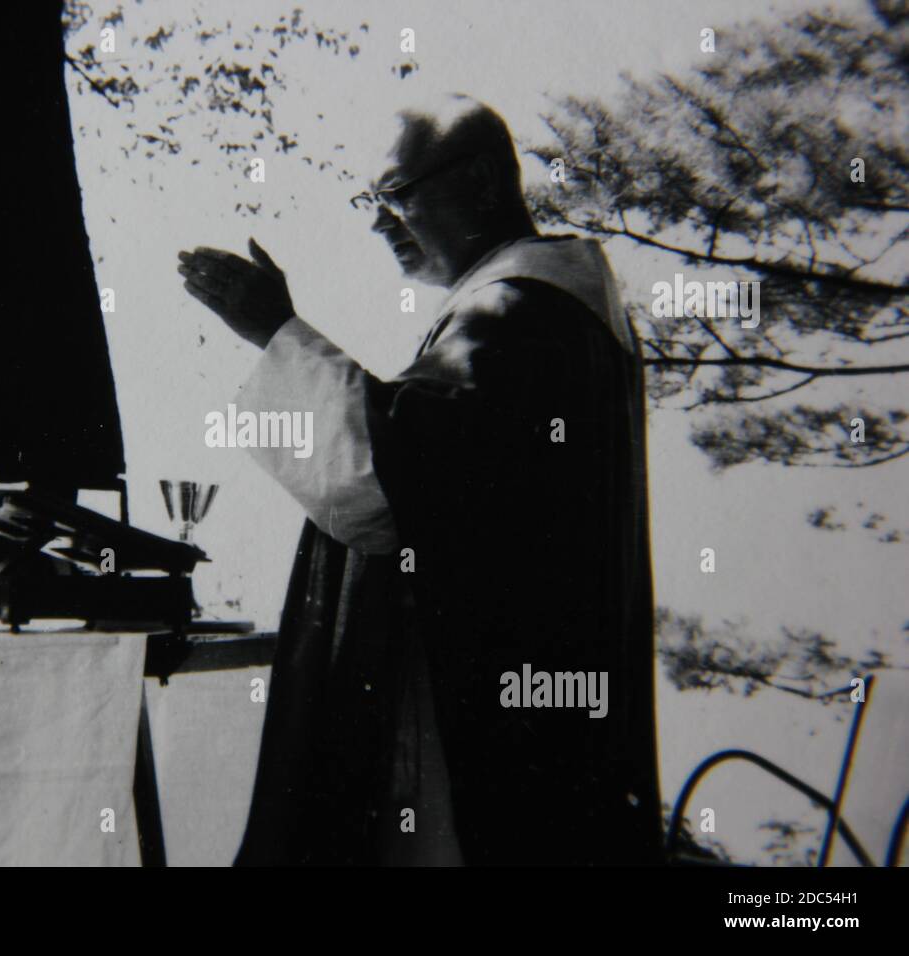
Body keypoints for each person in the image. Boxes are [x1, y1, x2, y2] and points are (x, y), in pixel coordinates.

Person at [178, 94, 663, 866]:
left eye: (395, 195)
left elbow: (385, 480)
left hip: (495, 715)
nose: (378, 223)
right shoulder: (549, 307)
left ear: (477, 183)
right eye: (372, 202)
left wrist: (275, 331)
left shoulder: (516, 314)